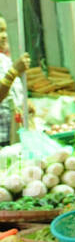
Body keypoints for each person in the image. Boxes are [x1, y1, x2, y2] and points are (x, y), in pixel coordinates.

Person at [0, 17, 30, 147]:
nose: (4, 36)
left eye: (5, 30)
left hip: (13, 133)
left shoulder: (5, 60)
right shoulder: (11, 66)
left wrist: (25, 104)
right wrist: (13, 72)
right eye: (0, 31)